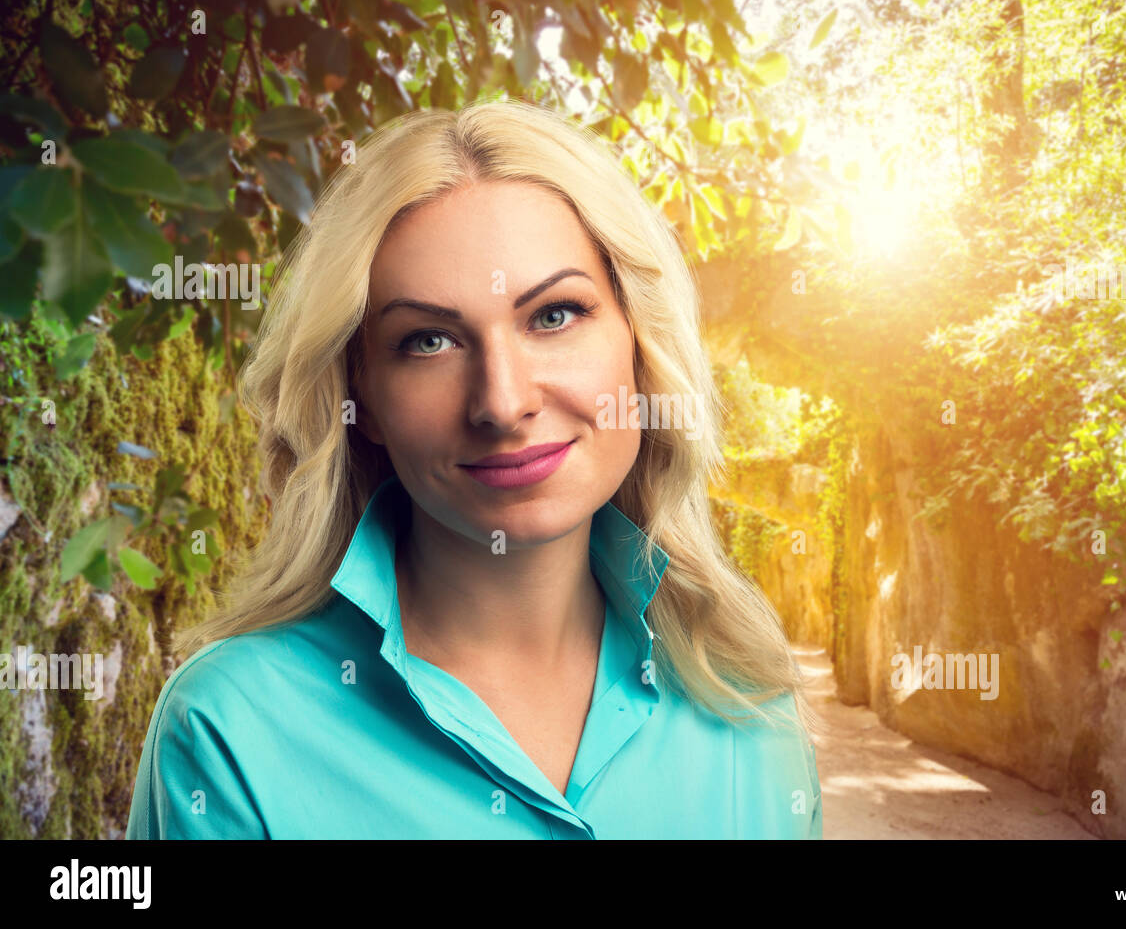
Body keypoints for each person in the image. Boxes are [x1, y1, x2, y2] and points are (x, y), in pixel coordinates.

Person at [125, 97, 825, 839]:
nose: (502, 402)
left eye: (553, 316)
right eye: (428, 340)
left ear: (639, 340)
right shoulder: (229, 733)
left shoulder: (753, 712)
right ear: (358, 385)